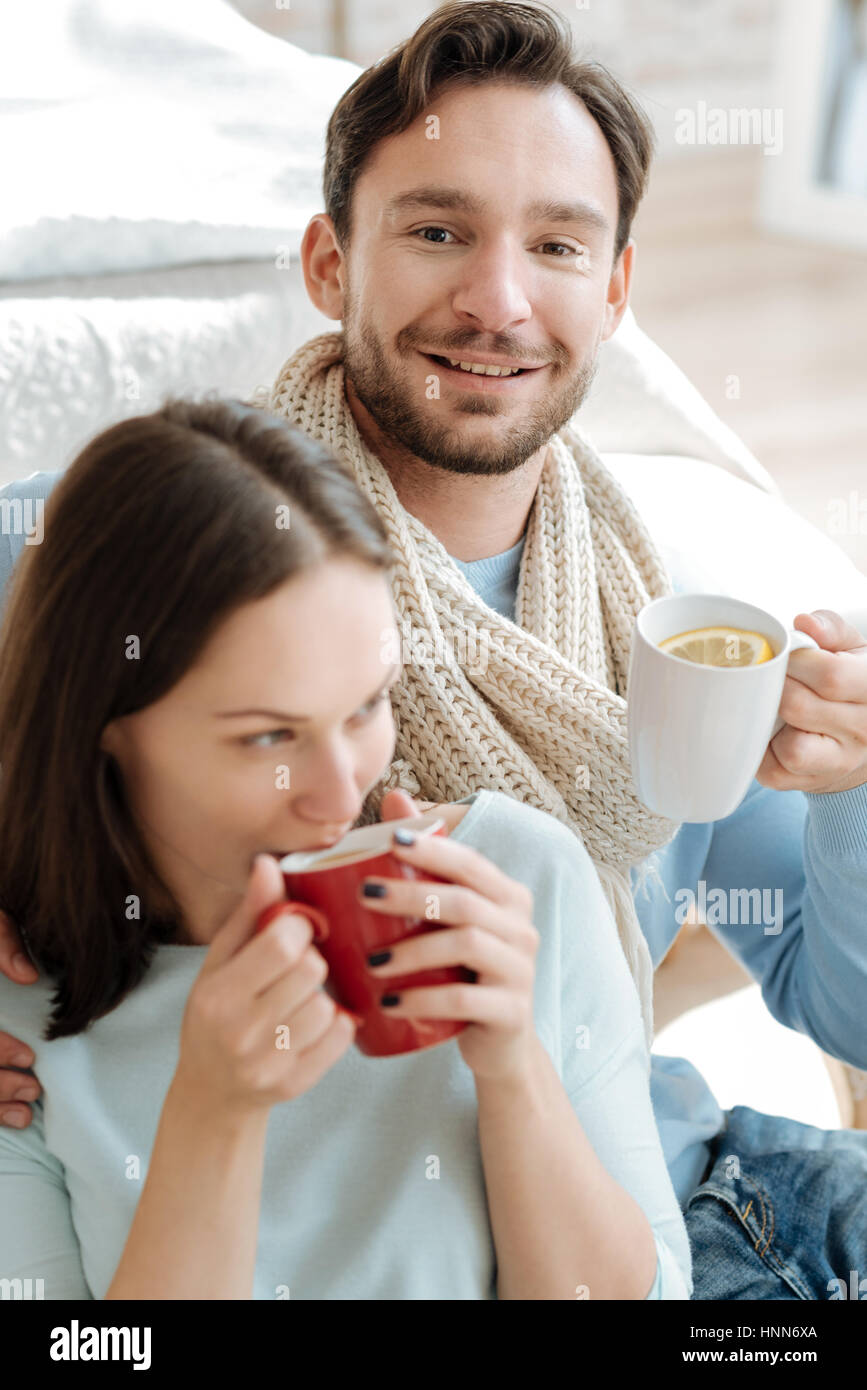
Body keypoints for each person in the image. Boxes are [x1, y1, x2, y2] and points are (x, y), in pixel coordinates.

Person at [0, 0, 865, 1300]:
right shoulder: (125, 545)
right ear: (328, 261)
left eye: (557, 244)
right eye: (435, 230)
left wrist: (852, 795)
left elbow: (835, 1011)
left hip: (657, 1182)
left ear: (615, 287)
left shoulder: (676, 627)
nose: (497, 299)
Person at [0, 397, 691, 1300]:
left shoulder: (516, 877)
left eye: (366, 705)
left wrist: (515, 1069)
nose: (336, 792)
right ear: (104, 726)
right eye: (266, 738)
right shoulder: (23, 1025)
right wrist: (213, 1118)